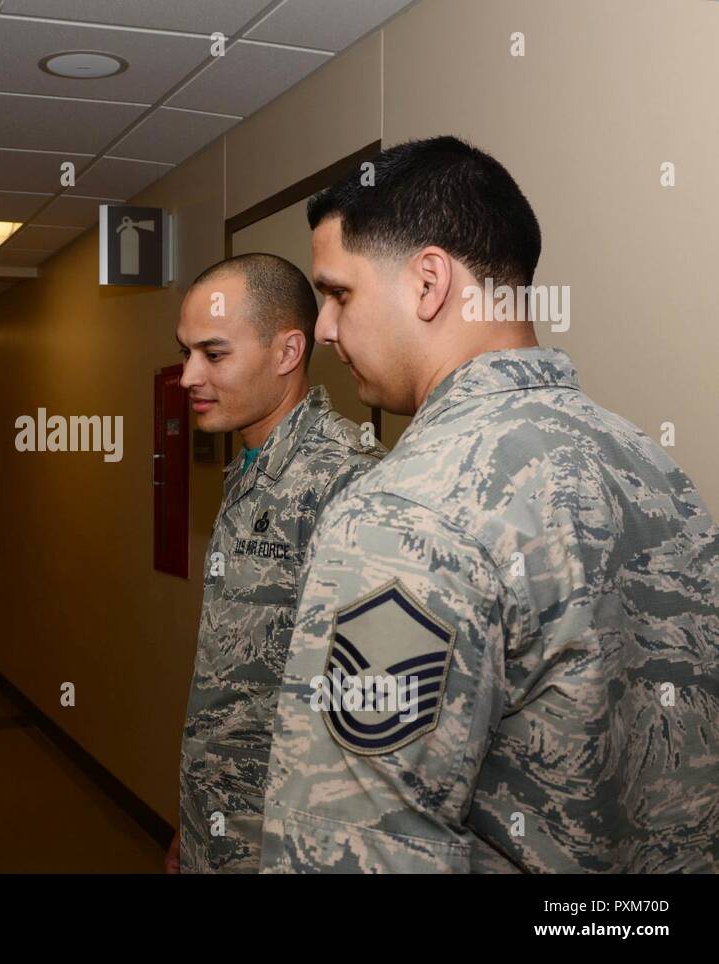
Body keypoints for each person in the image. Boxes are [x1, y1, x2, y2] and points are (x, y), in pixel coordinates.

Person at [260, 136, 719, 873]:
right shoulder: (652, 468)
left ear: (428, 282)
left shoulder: (402, 511)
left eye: (339, 293)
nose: (323, 328)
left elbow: (351, 851)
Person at [170, 253, 384, 873]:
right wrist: (198, 822)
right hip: (224, 824)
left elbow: (364, 715)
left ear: (288, 352)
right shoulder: (251, 469)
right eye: (186, 352)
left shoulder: (346, 482)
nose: (187, 376)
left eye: (213, 355)